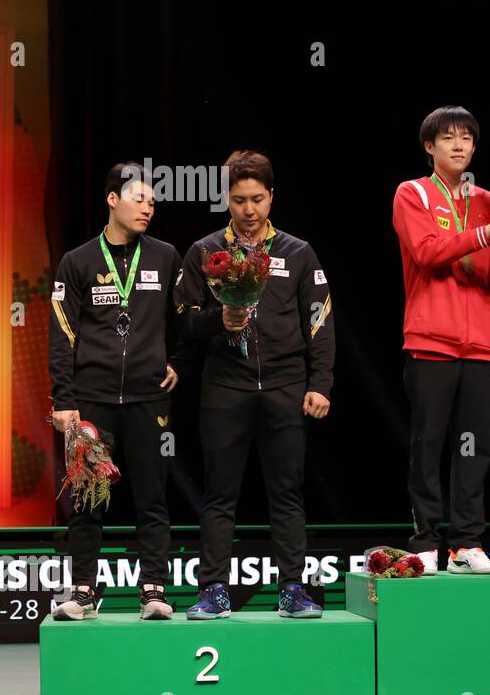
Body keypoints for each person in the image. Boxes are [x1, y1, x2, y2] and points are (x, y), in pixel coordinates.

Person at [174, 150, 334, 619]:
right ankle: (213, 591)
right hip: (225, 385)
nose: (249, 210)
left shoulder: (297, 251)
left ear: (271, 197)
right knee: (220, 493)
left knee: (286, 493)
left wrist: (321, 383)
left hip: (286, 384)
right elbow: (182, 321)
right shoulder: (204, 252)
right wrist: (220, 320)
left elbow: (320, 322)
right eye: (240, 199)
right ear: (226, 198)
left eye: (258, 199)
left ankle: (292, 590)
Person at [392, 106, 490, 575]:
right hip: (430, 340)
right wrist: (488, 234)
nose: (458, 145)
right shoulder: (412, 193)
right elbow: (427, 253)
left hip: (483, 342)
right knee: (428, 445)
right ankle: (427, 542)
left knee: (475, 445)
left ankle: (468, 543)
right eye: (447, 138)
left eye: (466, 138)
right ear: (429, 147)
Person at [49, 162, 183, 621]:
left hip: (148, 399)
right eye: (139, 198)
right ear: (112, 199)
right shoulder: (78, 261)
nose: (149, 207)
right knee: (87, 498)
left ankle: (153, 589)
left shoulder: (166, 256)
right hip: (91, 400)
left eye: (152, 200)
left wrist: (179, 364)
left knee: (152, 497)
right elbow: (62, 332)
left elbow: (187, 316)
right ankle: (84, 589)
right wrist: (64, 399)